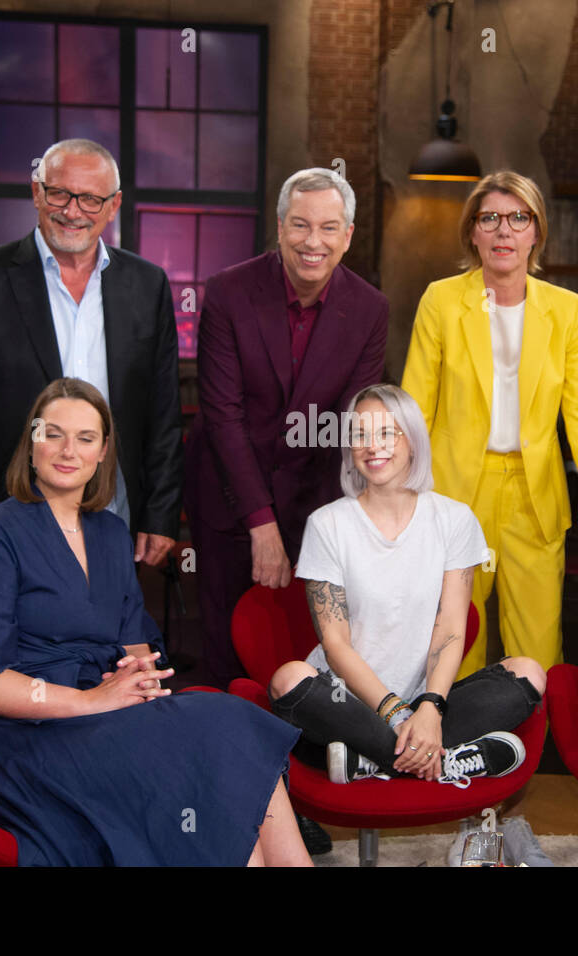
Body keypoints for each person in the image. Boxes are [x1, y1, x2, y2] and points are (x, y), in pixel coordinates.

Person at [0, 378, 310, 866]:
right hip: (27, 736)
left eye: (85, 438)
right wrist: (91, 701)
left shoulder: (109, 531)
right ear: (32, 442)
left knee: (231, 722)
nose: (69, 450)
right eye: (54, 434)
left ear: (103, 451)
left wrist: (137, 673)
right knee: (184, 764)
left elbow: (132, 636)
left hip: (107, 710)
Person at [268, 384, 546, 786]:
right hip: (348, 703)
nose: (371, 446)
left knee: (529, 672)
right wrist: (397, 714)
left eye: (387, 432)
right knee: (288, 678)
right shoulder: (327, 524)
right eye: (360, 435)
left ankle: (371, 762)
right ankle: (444, 761)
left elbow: (451, 627)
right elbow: (335, 644)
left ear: (413, 440)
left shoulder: (454, 520)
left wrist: (430, 708)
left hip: (425, 699)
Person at [0, 138, 182, 567]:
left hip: (111, 507)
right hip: (2, 509)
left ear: (114, 205)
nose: (73, 211)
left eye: (91, 199)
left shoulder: (148, 284)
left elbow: (164, 414)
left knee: (103, 630)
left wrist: (160, 513)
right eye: (59, 192)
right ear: (36, 192)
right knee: (9, 631)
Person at [402, 170, 578, 675]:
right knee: (455, 638)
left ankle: (525, 753)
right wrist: (401, 501)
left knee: (537, 650)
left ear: (536, 232)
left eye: (518, 218)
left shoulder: (566, 310)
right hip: (453, 493)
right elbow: (413, 407)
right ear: (473, 232)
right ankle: (454, 748)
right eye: (491, 219)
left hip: (534, 496)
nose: (505, 231)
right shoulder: (440, 299)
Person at [185, 167, 388, 689]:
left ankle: (295, 768)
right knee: (226, 654)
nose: (312, 242)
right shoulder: (229, 292)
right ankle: (225, 762)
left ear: (347, 236)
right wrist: (261, 524)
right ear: (279, 228)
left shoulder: (369, 309)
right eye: (300, 225)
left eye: (328, 228)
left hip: (314, 506)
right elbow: (222, 415)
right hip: (229, 502)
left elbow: (351, 424)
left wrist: (339, 527)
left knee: (305, 656)